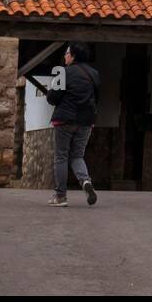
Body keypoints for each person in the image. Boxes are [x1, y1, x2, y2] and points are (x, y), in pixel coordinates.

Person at [46, 42, 99, 207]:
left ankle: (60, 196)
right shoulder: (94, 74)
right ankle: (85, 182)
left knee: (61, 156)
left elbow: (53, 98)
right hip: (86, 121)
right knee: (77, 155)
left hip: (65, 120)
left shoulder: (63, 73)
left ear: (74, 55)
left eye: (67, 53)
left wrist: (51, 90)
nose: (65, 56)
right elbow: (96, 98)